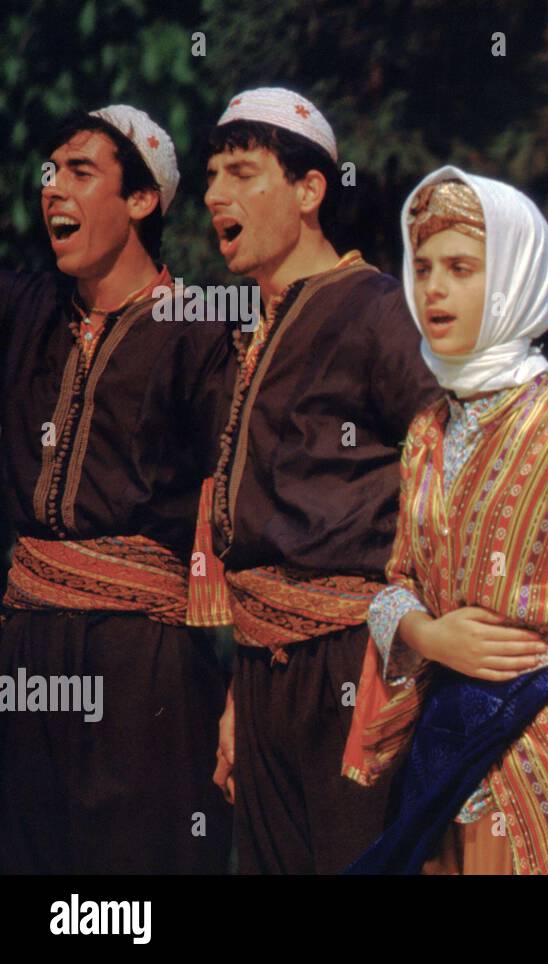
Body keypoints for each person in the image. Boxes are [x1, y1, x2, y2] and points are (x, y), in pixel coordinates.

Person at [344, 168, 548, 874]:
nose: (433, 288)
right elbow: (396, 581)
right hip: (448, 738)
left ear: (513, 279)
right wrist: (429, 635)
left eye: (461, 268)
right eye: (424, 267)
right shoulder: (428, 430)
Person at [201, 87, 440, 874]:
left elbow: (446, 465)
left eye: (241, 172)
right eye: (210, 177)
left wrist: (417, 638)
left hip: (353, 662)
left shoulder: (375, 308)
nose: (214, 196)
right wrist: (242, 697)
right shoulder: (255, 327)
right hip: (264, 664)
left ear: (310, 190)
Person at [0, 105, 232, 872]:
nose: (53, 190)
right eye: (49, 173)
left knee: (138, 872)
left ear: (141, 200)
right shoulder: (28, 311)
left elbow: (234, 501)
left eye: (80, 172)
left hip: (145, 659)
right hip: (29, 642)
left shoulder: (202, 332)